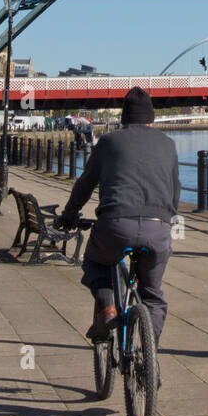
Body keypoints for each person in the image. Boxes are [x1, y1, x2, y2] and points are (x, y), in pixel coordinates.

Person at [57, 87, 180, 349]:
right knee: (152, 295)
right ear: (152, 118)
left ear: (124, 118)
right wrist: (166, 219)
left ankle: (107, 309)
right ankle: (149, 358)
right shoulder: (168, 145)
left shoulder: (109, 142)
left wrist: (70, 213)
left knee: (95, 262)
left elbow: (86, 183)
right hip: (158, 228)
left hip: (115, 225)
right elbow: (175, 192)